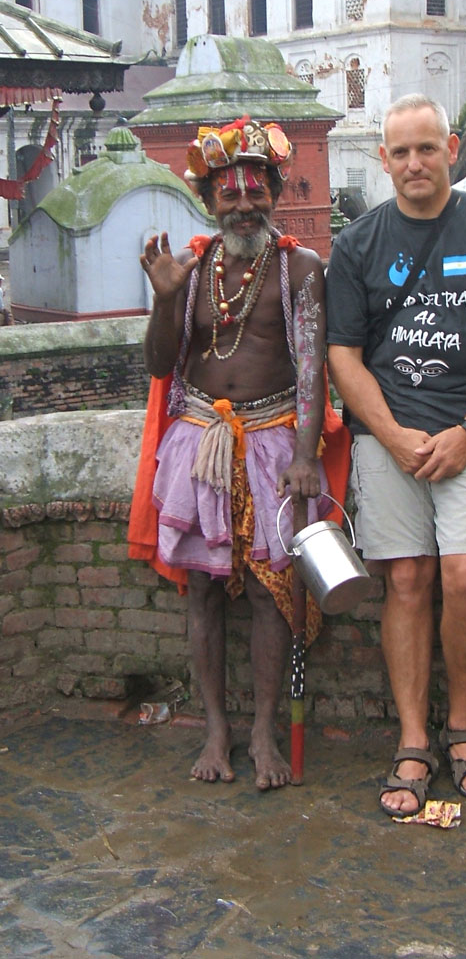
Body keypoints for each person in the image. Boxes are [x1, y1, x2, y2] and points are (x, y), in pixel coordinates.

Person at [325, 93, 466, 818]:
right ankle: (413, 734)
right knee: (407, 580)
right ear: (383, 160)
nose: (414, 163)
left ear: (451, 149)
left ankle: (463, 724)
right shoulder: (357, 245)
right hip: (391, 434)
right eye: (400, 152)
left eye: (426, 148)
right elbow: (343, 357)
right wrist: (388, 434)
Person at [128, 116, 349, 790]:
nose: (244, 205)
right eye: (230, 195)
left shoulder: (301, 269)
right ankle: (217, 732)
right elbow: (161, 363)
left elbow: (312, 367)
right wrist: (164, 302)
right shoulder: (190, 272)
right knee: (200, 593)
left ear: (276, 194)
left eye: (256, 193)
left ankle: (262, 734)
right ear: (210, 201)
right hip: (198, 445)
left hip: (275, 443)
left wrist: (306, 454)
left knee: (267, 594)